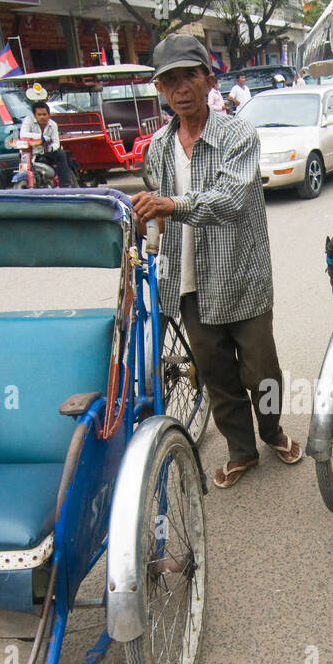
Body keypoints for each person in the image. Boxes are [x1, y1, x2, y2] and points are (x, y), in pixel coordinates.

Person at [131, 34, 301, 489]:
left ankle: (272, 430)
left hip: (240, 276)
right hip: (187, 285)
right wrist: (148, 223)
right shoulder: (158, 148)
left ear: (210, 78)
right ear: (160, 91)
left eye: (190, 75)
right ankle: (242, 450)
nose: (181, 88)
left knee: (261, 372)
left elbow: (228, 200)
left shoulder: (237, 135)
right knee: (217, 376)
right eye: (169, 81)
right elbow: (158, 218)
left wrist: (168, 205)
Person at [20, 101, 74, 186]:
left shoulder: (53, 125)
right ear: (35, 115)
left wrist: (50, 148)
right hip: (31, 153)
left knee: (61, 154)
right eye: (39, 114)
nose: (42, 117)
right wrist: (40, 137)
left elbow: (56, 143)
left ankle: (65, 185)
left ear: (49, 115)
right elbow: (23, 134)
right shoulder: (28, 120)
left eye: (44, 114)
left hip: (46, 152)